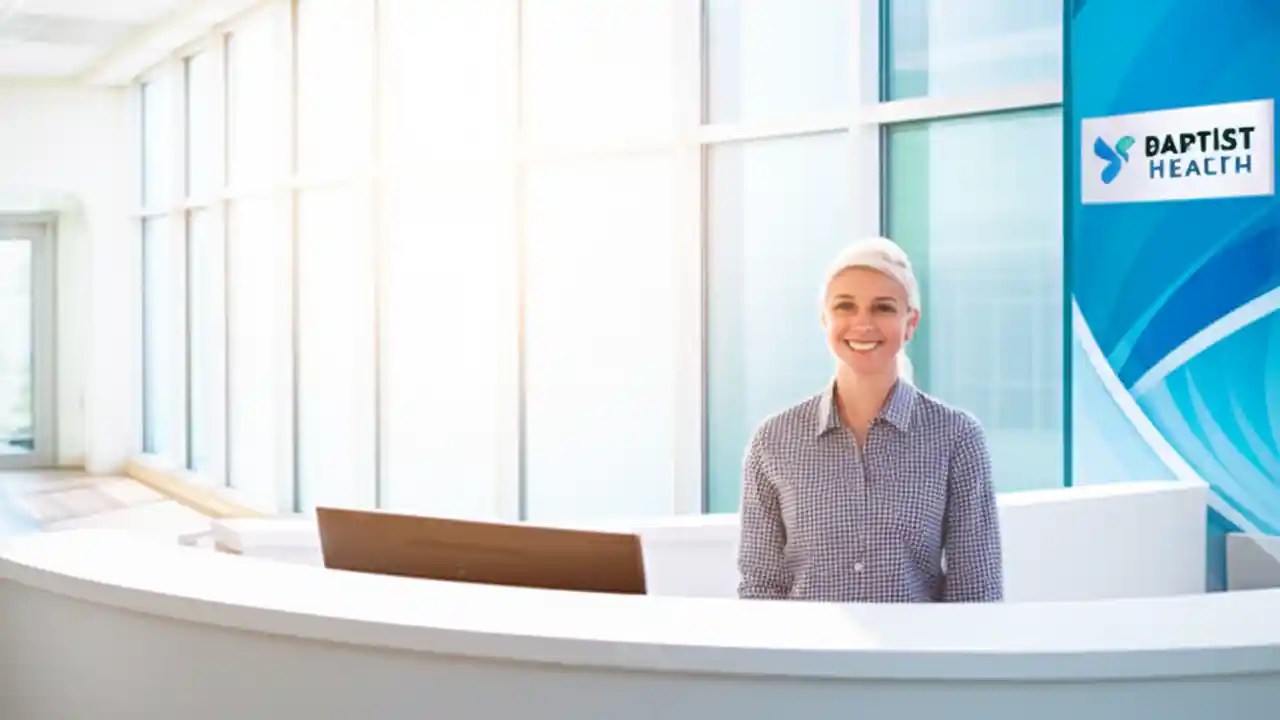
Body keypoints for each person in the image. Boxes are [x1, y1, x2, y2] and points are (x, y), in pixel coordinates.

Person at [735, 236, 1003, 603]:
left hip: (916, 656)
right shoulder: (773, 441)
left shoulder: (957, 438)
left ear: (910, 323)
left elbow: (977, 593)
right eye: (845, 306)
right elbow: (759, 588)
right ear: (824, 318)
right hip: (805, 658)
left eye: (883, 308)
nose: (863, 323)